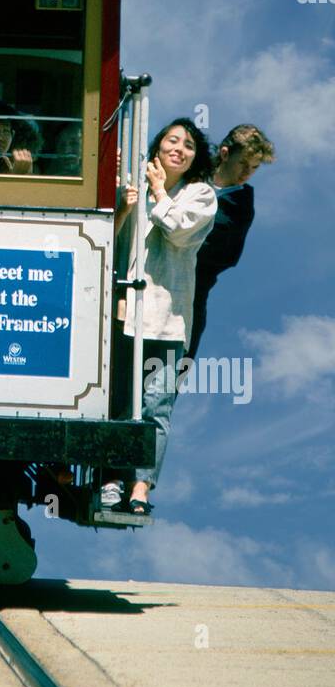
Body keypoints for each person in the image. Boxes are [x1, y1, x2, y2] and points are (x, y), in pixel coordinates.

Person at [102, 118, 217, 514]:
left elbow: (177, 230)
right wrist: (125, 203)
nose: (179, 149)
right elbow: (109, 240)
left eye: (188, 146)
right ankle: (112, 479)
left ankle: (141, 486)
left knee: (156, 405)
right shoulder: (135, 187)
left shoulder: (200, 195)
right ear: (157, 146)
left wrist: (156, 191)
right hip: (124, 313)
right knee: (118, 402)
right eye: (172, 140)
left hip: (168, 321)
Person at [186, 124, 275, 360]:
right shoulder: (189, 174)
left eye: (254, 167)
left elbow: (226, 256)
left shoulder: (242, 207)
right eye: (243, 163)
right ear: (225, 153)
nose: (247, 172)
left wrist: (180, 235)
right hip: (148, 278)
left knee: (165, 380)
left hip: (192, 295)